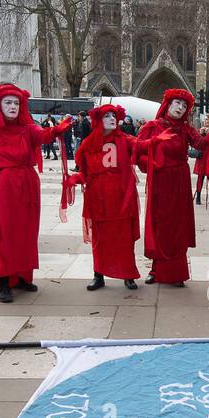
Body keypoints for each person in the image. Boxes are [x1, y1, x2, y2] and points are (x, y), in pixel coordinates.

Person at [0, 84, 71, 302]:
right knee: (4, 232)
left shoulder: (27, 128)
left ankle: (23, 275)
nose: (13, 106)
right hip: (2, 187)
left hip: (26, 185)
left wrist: (56, 130)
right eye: (8, 102)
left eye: (16, 102)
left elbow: (43, 135)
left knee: (26, 231)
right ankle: (4, 280)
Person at [69, 103, 141, 291]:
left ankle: (128, 274)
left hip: (121, 195)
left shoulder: (125, 139)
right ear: (99, 120)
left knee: (124, 236)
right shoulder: (88, 143)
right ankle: (98, 274)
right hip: (98, 196)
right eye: (107, 116)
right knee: (100, 237)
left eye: (113, 116)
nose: (111, 119)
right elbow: (83, 172)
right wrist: (74, 179)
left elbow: (142, 145)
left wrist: (158, 140)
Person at [137, 88, 205, 287]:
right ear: (167, 104)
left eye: (184, 106)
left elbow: (200, 144)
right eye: (177, 103)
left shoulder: (186, 129)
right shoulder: (153, 126)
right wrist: (154, 154)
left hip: (180, 181)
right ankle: (156, 269)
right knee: (160, 224)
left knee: (178, 225)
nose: (181, 108)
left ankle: (177, 272)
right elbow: (137, 150)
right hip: (160, 180)